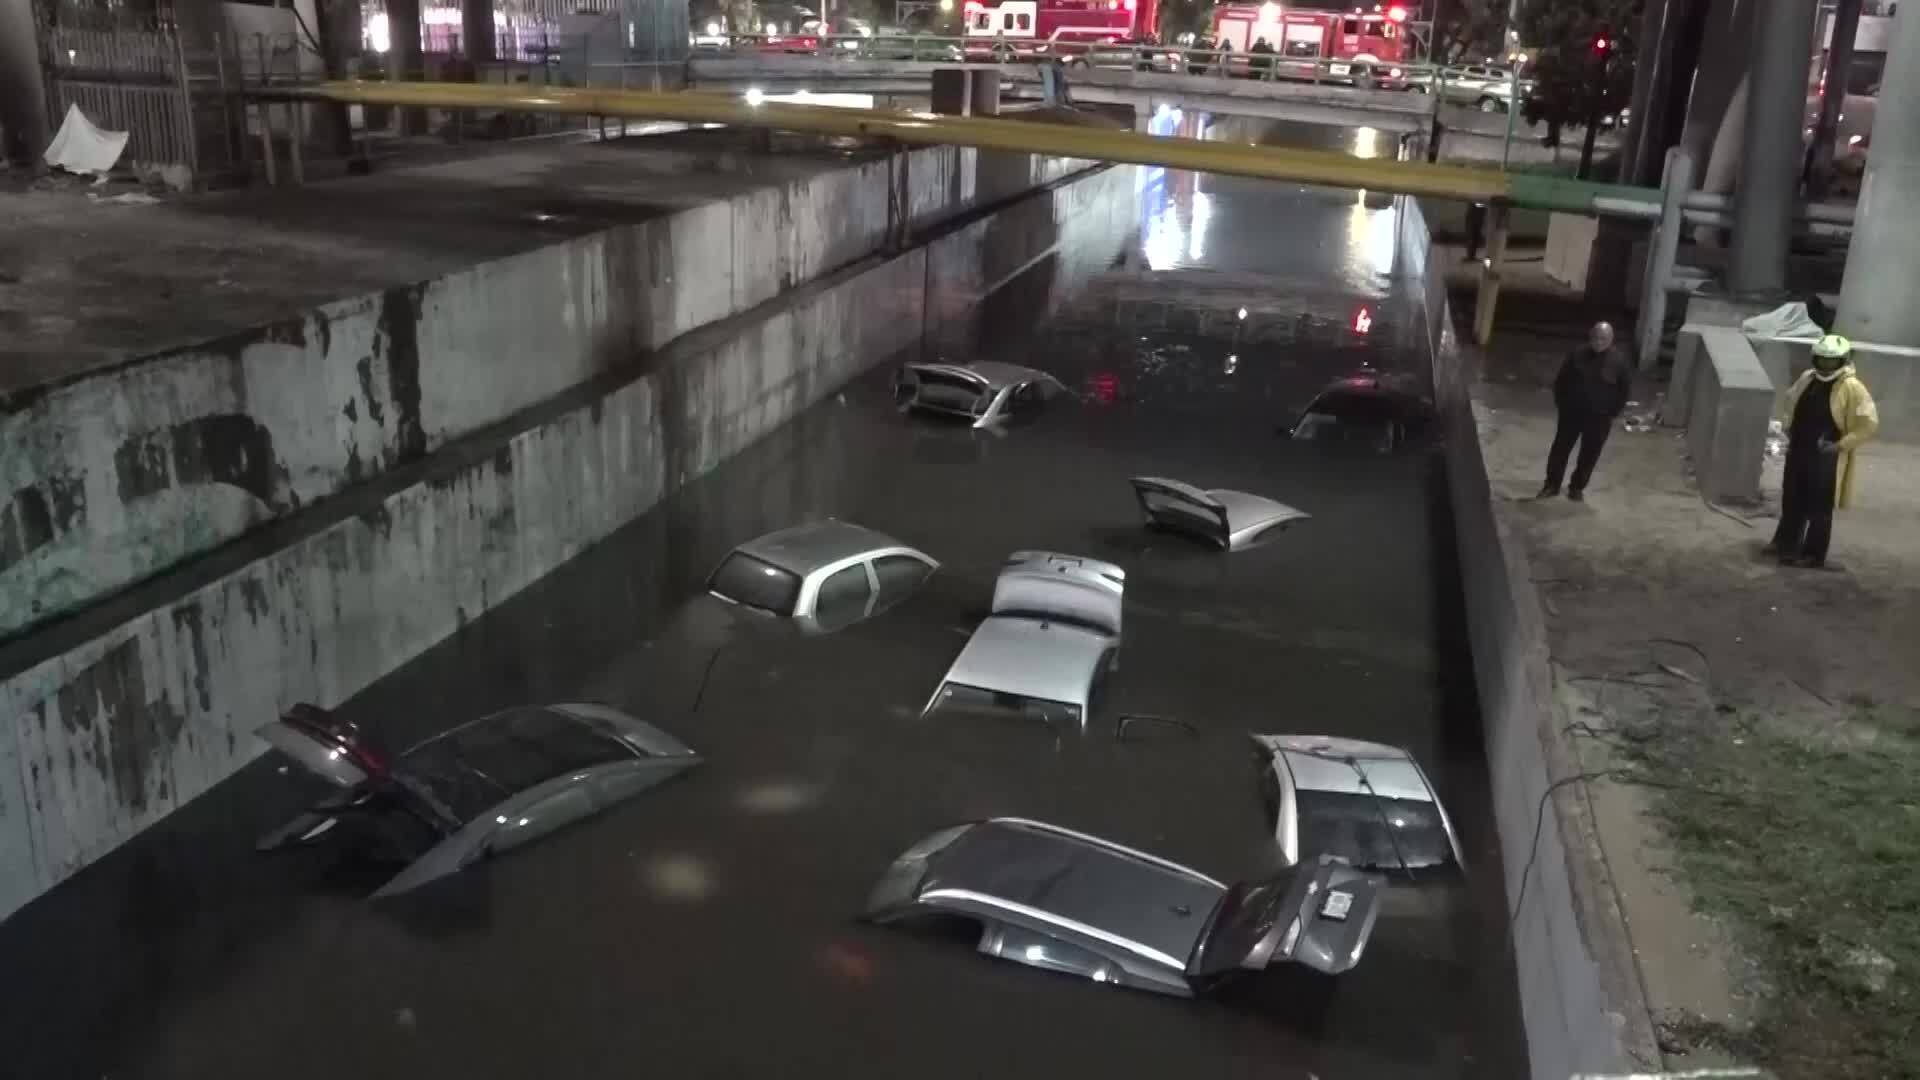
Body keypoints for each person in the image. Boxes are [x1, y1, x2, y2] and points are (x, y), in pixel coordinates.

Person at [1766, 334, 1879, 569]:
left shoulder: (1852, 387)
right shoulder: (1808, 378)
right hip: (1799, 448)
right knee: (1792, 497)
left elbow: (1868, 423)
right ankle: (1785, 544)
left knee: (1819, 506)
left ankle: (1813, 555)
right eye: (1822, 360)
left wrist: (1840, 445)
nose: (1826, 366)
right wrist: (1787, 427)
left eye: (1832, 362)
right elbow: (1791, 400)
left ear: (1843, 361)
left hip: (1826, 456)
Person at [1538, 321, 1632, 501]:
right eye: (1595, 338)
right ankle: (1551, 484)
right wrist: (1563, 406)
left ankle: (1577, 487)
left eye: (1603, 339)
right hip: (1572, 414)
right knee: (1560, 449)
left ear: (1611, 340)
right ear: (1590, 337)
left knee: (1589, 454)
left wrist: (1612, 412)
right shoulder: (1577, 355)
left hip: (1599, 419)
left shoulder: (1619, 362)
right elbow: (1561, 382)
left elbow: (1624, 391)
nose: (1598, 342)